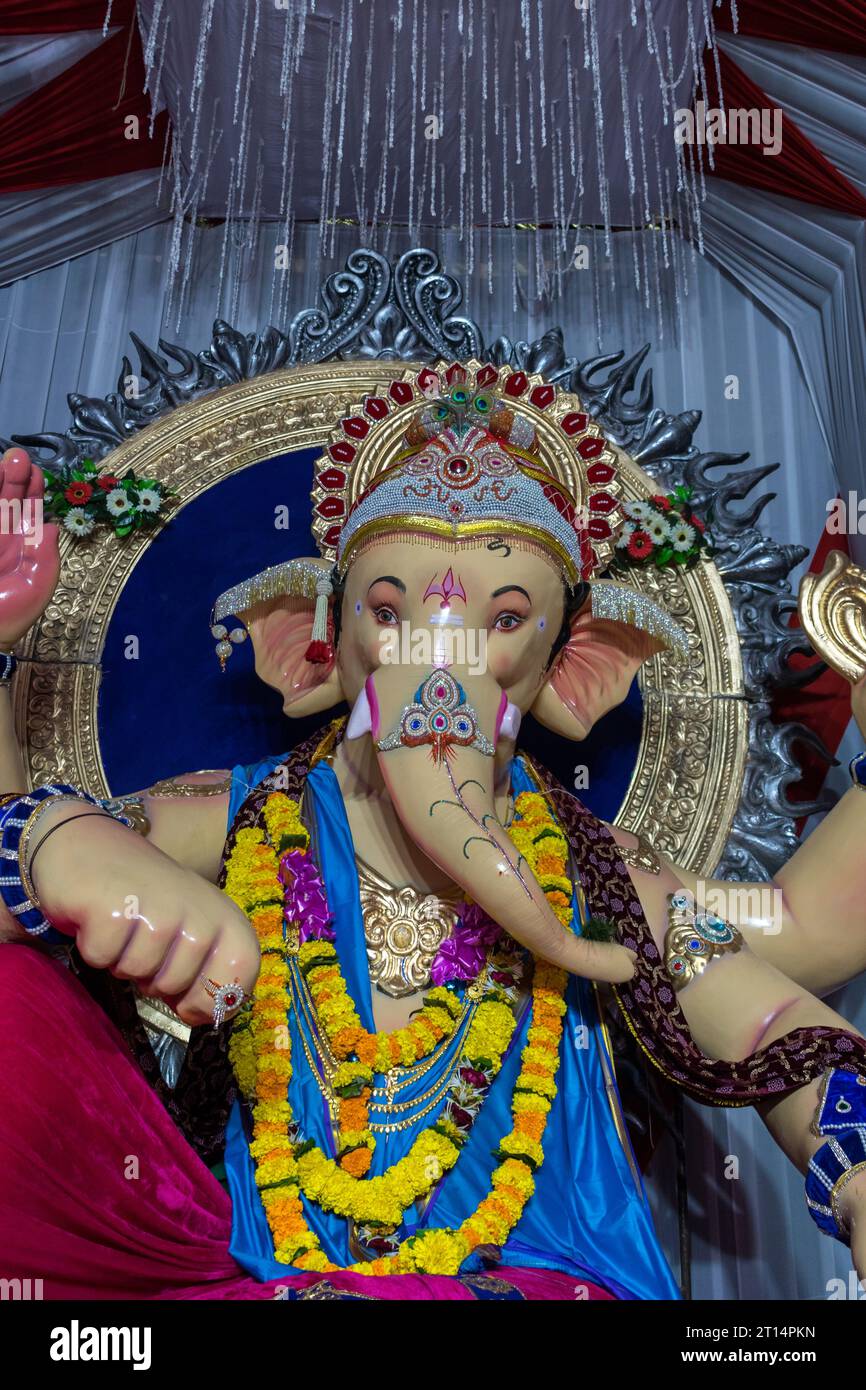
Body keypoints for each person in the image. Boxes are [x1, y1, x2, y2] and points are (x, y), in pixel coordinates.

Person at [1, 365, 865, 1301]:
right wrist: (63, 839)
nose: (435, 664)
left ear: (572, 669)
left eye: (502, 620)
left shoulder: (597, 883)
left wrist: (859, 1172)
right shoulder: (246, 819)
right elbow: (16, 888)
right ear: (317, 641)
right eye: (387, 612)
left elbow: (775, 1019)